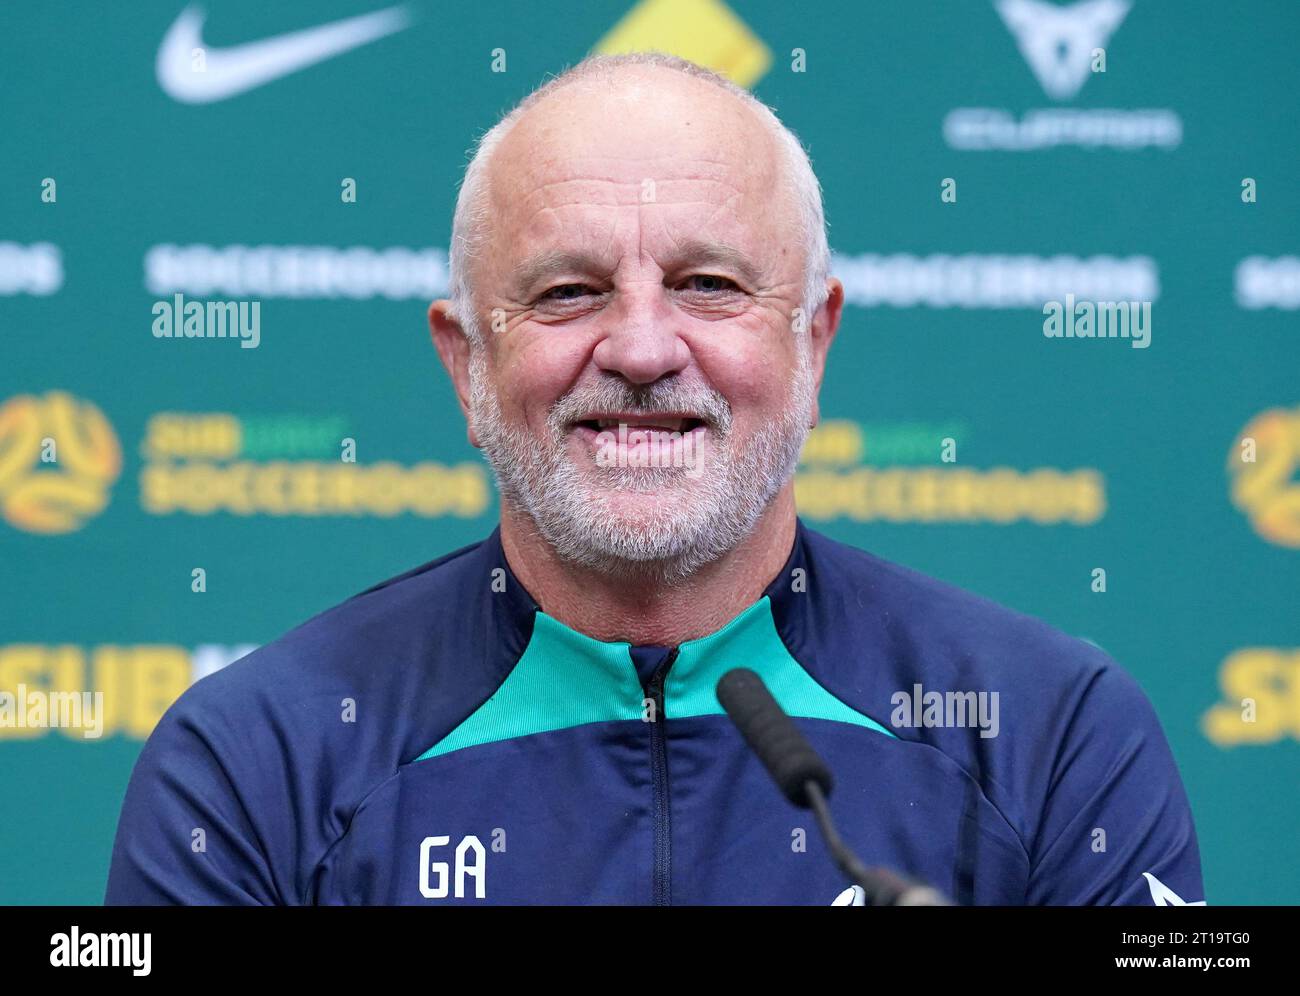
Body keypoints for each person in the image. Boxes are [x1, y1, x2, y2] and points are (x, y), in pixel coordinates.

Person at [106, 53, 1203, 905]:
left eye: (708, 283)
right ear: (466, 365)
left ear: (812, 343)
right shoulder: (252, 761)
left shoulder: (1054, 733)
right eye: (568, 292)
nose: (640, 349)